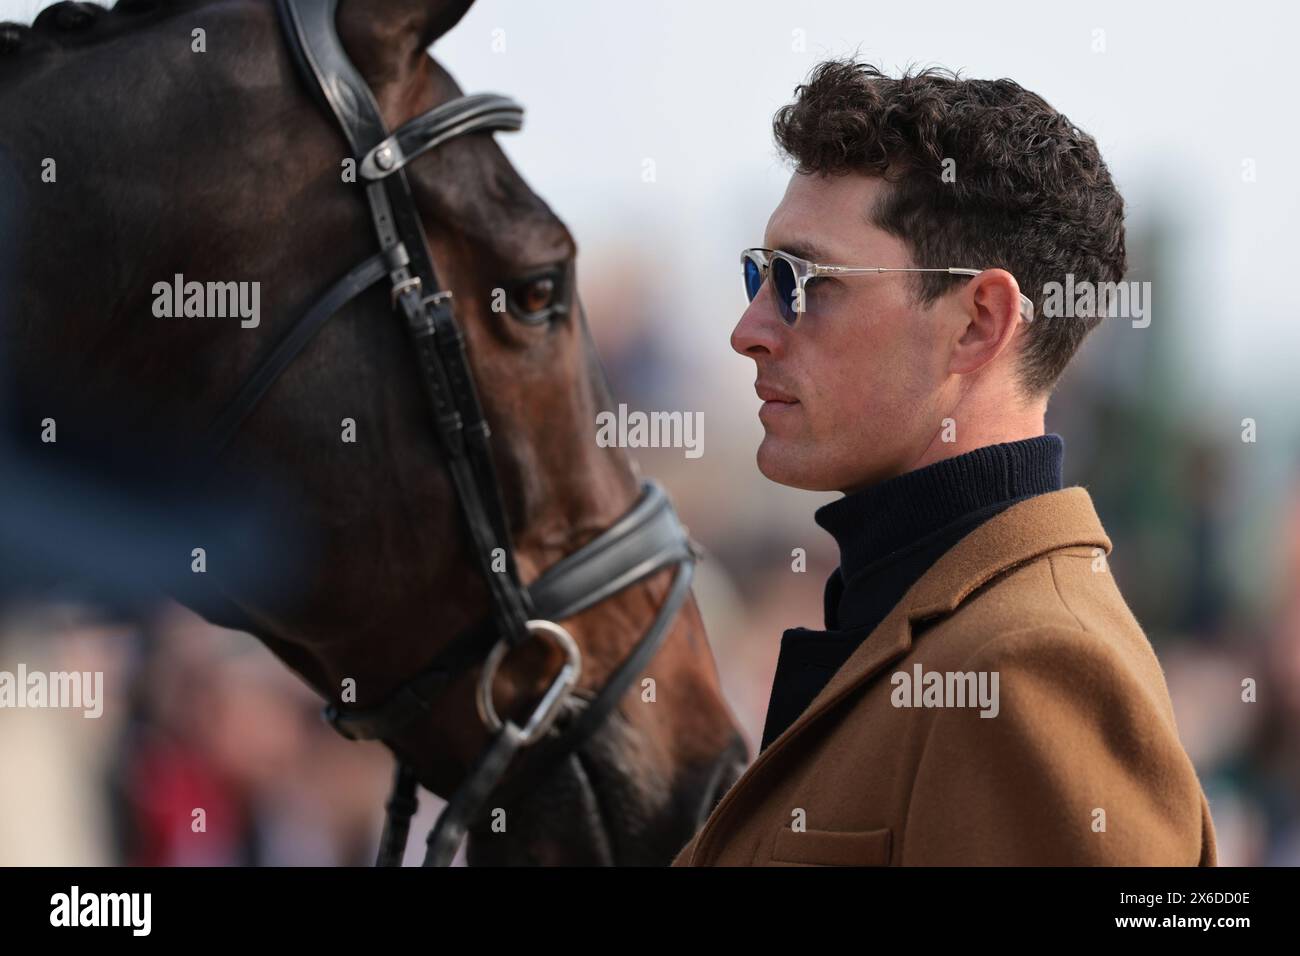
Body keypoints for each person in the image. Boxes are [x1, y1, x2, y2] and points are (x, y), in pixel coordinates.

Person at [673, 60, 1217, 866]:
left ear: (977, 323)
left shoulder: (1031, 667)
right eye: (759, 274)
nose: (748, 330)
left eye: (800, 282)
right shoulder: (928, 618)